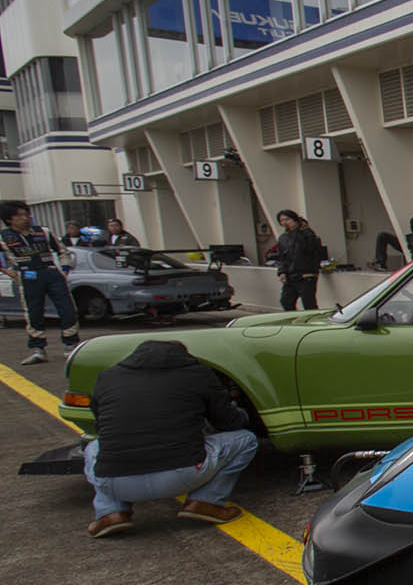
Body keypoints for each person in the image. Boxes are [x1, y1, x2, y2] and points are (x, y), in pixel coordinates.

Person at [80, 339, 259, 537]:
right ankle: (205, 502)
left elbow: (101, 426)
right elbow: (228, 423)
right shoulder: (197, 374)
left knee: (93, 448)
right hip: (182, 475)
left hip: (115, 483)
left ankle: (110, 513)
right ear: (184, 357)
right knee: (246, 440)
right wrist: (241, 413)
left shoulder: (108, 377)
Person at [2, 202, 80, 364]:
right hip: (27, 275)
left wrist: (65, 269)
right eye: (19, 216)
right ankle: (38, 349)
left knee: (67, 309)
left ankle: (70, 346)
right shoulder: (3, 237)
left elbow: (62, 251)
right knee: (33, 312)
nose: (24, 218)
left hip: (50, 272)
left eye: (26, 214)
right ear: (9, 219)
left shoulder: (43, 231)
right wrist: (7, 271)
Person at [273, 209, 324, 311]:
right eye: (282, 220)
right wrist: (282, 271)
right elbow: (281, 257)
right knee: (286, 301)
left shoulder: (308, 235)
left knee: (308, 303)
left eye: (288, 219)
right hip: (290, 276)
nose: (285, 222)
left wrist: (303, 230)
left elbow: (310, 249)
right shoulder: (283, 238)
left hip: (306, 275)